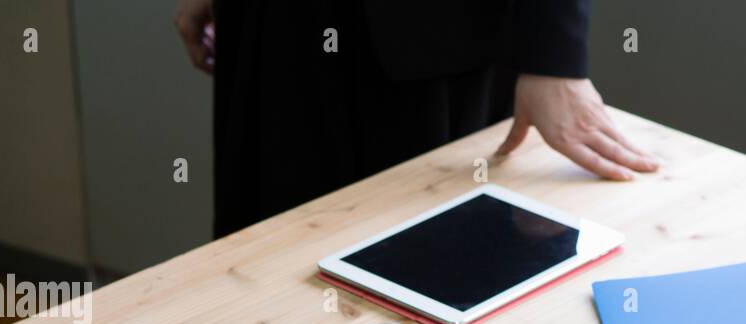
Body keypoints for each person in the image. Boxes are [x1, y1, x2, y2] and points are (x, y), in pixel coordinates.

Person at [174, 0, 659, 237]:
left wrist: (555, 57)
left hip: (430, 44)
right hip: (273, 29)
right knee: (261, 270)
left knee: (440, 287)